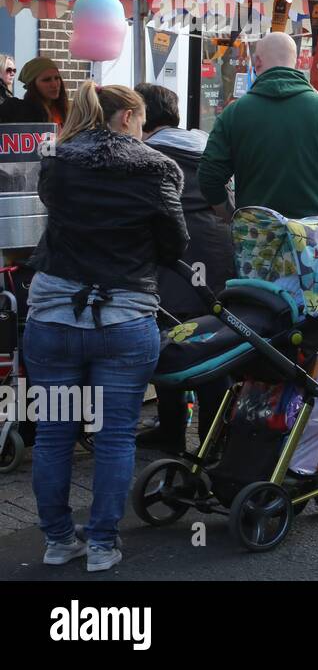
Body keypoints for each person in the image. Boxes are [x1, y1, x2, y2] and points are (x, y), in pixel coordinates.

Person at [25, 83, 187, 572]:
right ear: (125, 119)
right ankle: (101, 544)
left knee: (54, 435)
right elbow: (175, 244)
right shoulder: (157, 169)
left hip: (52, 318)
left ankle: (57, 541)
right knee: (117, 436)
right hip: (124, 318)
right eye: (138, 121)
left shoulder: (57, 162)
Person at [198, 31, 318, 446]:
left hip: (261, 256)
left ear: (256, 61)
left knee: (260, 341)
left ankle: (258, 437)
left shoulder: (236, 115)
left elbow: (209, 177)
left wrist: (233, 218)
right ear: (300, 64)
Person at [132, 83, 235, 455]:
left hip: (178, 257)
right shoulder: (204, 144)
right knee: (213, 342)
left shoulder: (148, 155)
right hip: (220, 252)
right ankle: (213, 436)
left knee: (172, 340)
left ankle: (174, 430)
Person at [1, 57, 70, 129]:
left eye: (57, 78)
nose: (54, 84)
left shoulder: (67, 111)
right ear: (32, 85)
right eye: (46, 80)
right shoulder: (16, 110)